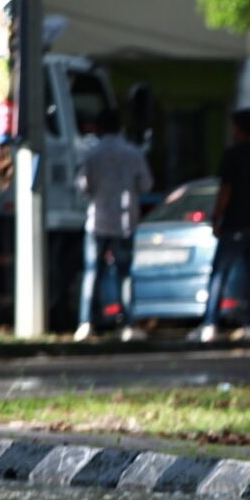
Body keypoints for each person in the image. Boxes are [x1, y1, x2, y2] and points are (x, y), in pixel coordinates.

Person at [198, 108, 250, 342]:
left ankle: (210, 324)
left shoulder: (232, 156)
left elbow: (226, 190)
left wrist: (216, 217)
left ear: (237, 128)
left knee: (219, 274)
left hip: (235, 224)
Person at [74, 108, 153, 341]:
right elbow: (147, 184)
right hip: (125, 222)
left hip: (97, 221)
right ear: (121, 128)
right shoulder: (133, 153)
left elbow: (82, 187)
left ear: (99, 128)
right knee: (124, 274)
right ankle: (128, 324)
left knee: (92, 273)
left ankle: (86, 322)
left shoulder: (92, 154)